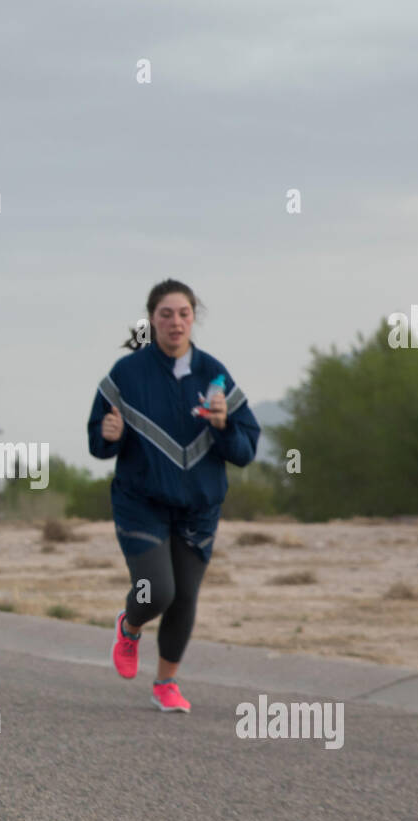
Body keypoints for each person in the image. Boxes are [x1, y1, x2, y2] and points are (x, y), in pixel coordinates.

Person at [87, 280, 259, 712]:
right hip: (141, 502)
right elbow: (97, 440)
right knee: (156, 591)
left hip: (199, 510)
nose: (175, 322)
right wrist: (110, 436)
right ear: (151, 320)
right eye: (166, 314)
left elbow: (246, 450)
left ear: (193, 317)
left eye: (183, 313)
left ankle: (166, 683)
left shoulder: (213, 375)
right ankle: (130, 626)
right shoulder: (127, 374)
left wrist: (222, 427)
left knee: (184, 597)